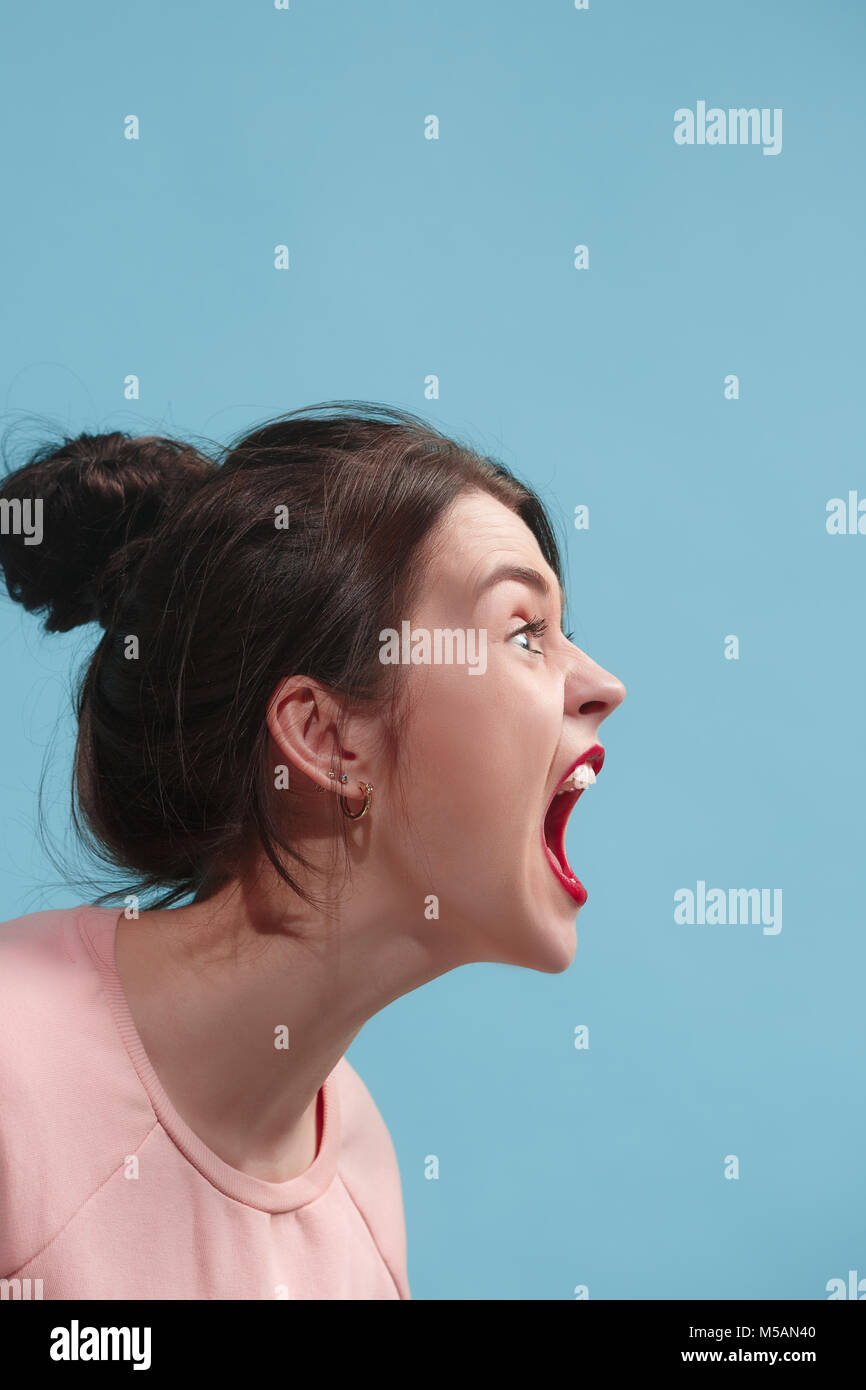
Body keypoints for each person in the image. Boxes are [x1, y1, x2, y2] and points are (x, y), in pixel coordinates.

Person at [0, 401, 626, 1299]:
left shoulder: (361, 1174)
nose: (605, 685)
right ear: (326, 736)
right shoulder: (12, 1068)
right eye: (525, 632)